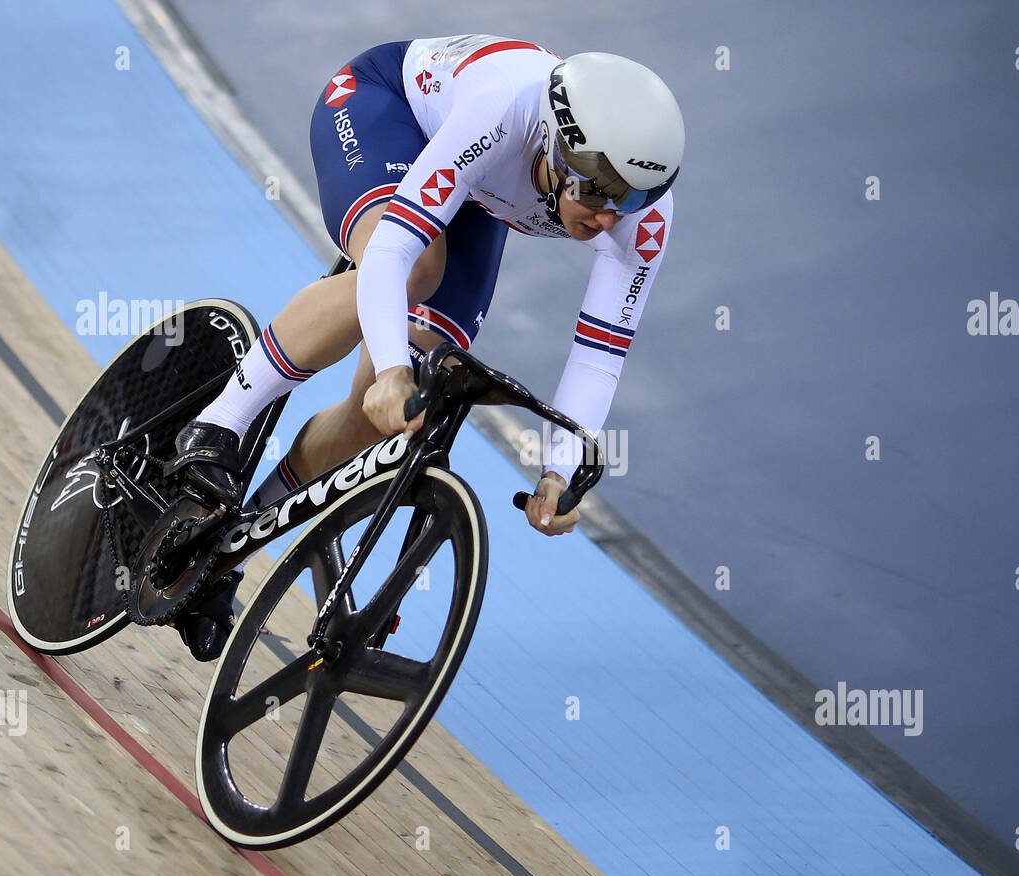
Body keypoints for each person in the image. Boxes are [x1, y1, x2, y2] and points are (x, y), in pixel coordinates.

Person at [168, 34, 683, 659]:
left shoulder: (641, 214)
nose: (610, 217)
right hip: (385, 110)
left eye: (630, 199)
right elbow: (392, 252)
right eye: (596, 192)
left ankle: (225, 549)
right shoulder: (504, 105)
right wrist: (387, 367)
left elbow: (601, 351)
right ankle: (217, 424)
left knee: (395, 409)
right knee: (415, 273)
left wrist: (559, 471)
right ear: (551, 145)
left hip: (481, 194)